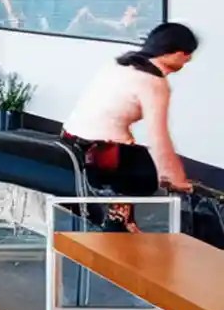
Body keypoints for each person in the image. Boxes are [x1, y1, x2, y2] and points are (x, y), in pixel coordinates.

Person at [62, 22, 197, 228]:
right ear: (174, 52)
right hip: (100, 153)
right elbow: (158, 137)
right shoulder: (154, 82)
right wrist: (176, 178)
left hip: (69, 140)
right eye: (187, 54)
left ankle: (121, 220)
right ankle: (120, 223)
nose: (189, 59)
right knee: (145, 173)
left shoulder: (121, 64)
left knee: (138, 160)